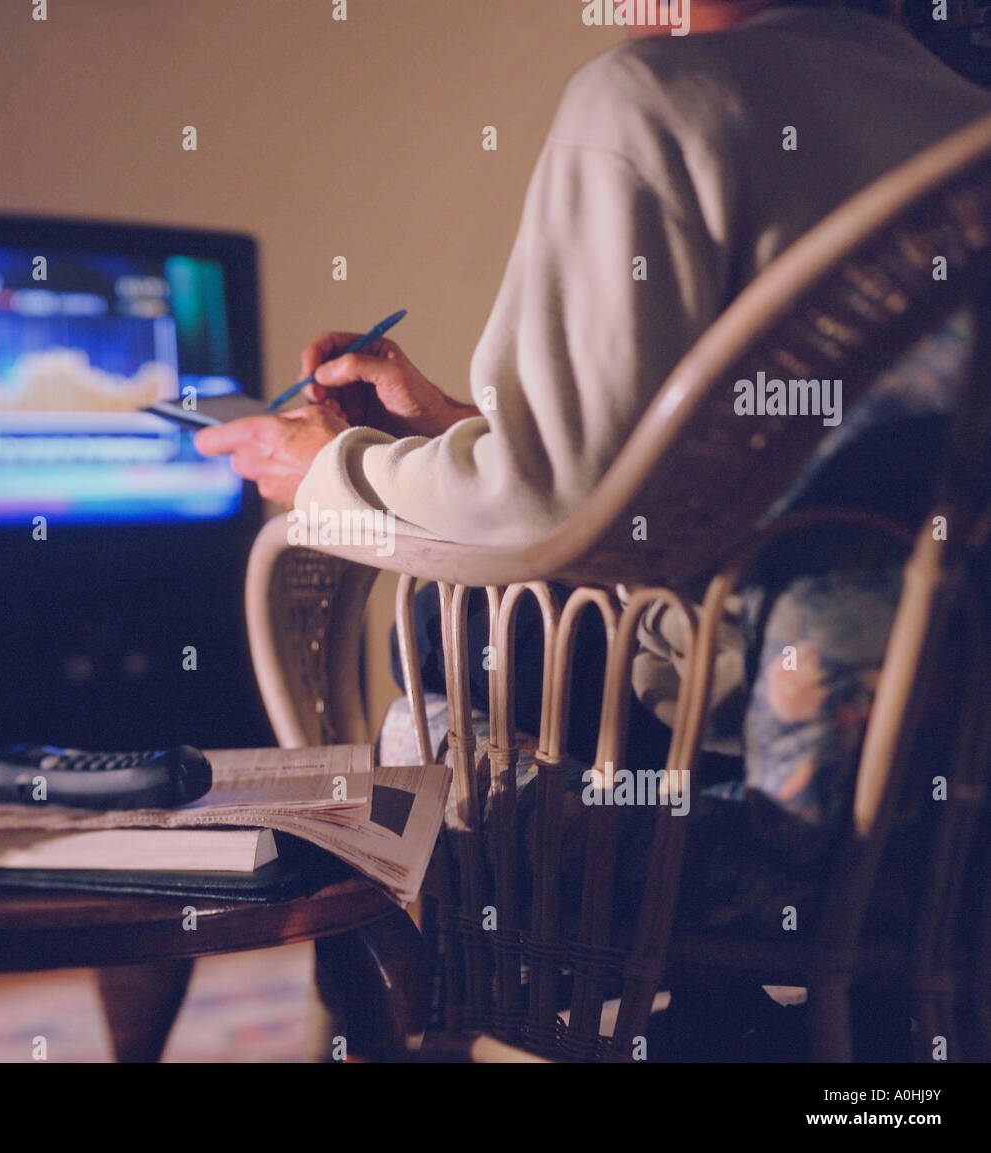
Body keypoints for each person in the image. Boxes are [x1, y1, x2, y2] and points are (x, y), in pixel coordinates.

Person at [195, 0, 990, 1055]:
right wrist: (455, 434)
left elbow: (555, 512)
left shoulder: (654, 96)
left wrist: (324, 467)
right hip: (942, 774)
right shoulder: (962, 123)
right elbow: (726, 463)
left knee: (435, 634)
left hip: (726, 735)